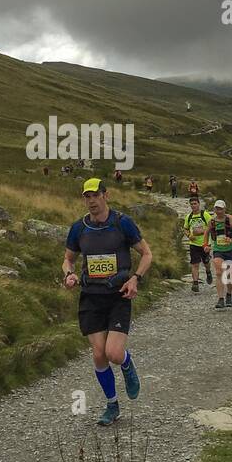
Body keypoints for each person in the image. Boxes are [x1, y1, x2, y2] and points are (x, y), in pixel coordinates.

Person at [62, 178, 152, 426]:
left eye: (95, 195)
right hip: (91, 296)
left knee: (113, 353)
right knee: (99, 354)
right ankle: (112, 405)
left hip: (118, 296)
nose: (91, 201)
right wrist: (69, 274)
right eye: (87, 196)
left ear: (105, 195)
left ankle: (126, 363)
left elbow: (146, 254)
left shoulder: (122, 223)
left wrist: (135, 278)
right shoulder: (78, 228)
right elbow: (68, 259)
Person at [203, 199, 232, 309]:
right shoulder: (212, 221)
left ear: (224, 209)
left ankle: (229, 295)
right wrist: (205, 245)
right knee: (219, 272)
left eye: (220, 209)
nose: (218, 211)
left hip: (230, 250)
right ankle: (220, 299)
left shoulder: (231, 219)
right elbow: (206, 233)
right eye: (217, 209)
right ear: (214, 209)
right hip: (218, 250)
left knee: (229, 274)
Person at [182, 195, 213, 293]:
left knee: (206, 262)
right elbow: (185, 229)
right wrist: (189, 235)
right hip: (193, 244)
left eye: (195, 204)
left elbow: (212, 227)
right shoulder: (189, 217)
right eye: (191, 204)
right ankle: (195, 283)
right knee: (195, 264)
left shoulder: (205, 215)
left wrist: (201, 231)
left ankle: (208, 272)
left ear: (199, 204)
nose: (193, 206)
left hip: (205, 243)